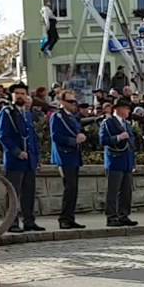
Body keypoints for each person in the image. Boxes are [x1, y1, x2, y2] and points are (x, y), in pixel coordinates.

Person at [0, 83, 44, 233]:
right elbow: (3, 136)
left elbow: (32, 137)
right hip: (15, 160)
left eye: (22, 93)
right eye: (17, 93)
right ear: (12, 96)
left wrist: (37, 158)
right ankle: (12, 223)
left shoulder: (26, 113)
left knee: (29, 192)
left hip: (29, 160)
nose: (20, 96)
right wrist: (17, 152)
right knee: (13, 193)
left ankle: (29, 221)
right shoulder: (7, 112)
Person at [49, 89, 88, 230]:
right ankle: (64, 218)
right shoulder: (57, 117)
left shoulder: (73, 117)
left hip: (73, 156)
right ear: (62, 102)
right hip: (64, 155)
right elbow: (56, 137)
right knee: (69, 187)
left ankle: (70, 217)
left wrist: (82, 136)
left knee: (73, 189)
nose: (74, 104)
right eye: (70, 101)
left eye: (74, 101)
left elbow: (78, 131)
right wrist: (74, 140)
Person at [100, 98, 138, 227]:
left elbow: (132, 142)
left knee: (126, 191)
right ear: (118, 109)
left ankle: (123, 215)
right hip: (115, 160)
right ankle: (111, 216)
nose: (128, 110)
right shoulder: (108, 122)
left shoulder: (126, 124)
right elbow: (103, 140)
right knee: (113, 191)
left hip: (126, 161)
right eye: (126, 108)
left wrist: (133, 162)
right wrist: (118, 137)